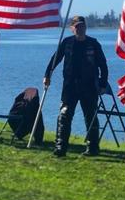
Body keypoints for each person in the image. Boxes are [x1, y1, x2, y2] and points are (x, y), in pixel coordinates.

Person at [43, 15, 108, 157]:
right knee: (64, 115)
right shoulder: (67, 42)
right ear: (72, 28)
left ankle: (93, 148)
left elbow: (103, 65)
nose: (80, 29)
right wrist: (47, 75)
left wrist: (103, 84)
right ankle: (60, 147)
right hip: (70, 86)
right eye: (77, 26)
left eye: (82, 26)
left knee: (91, 116)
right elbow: (55, 59)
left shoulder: (93, 44)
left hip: (89, 87)